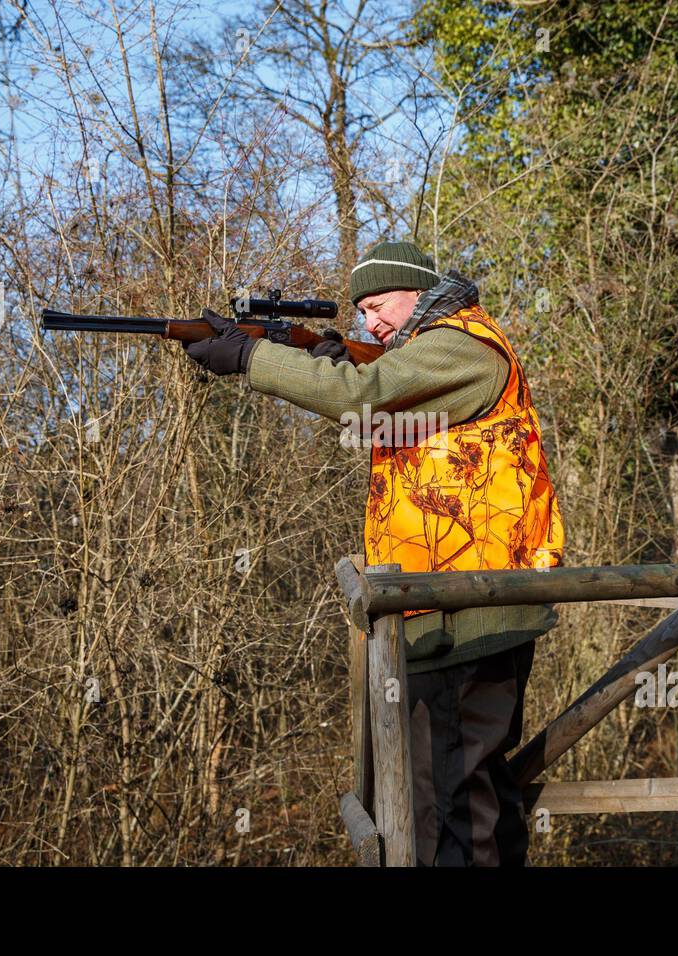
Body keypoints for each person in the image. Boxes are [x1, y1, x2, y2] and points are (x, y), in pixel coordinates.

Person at [181, 240, 565, 866]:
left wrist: (255, 357)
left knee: (450, 801)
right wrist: (331, 359)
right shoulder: (437, 350)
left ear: (419, 293)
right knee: (470, 789)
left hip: (466, 608)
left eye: (379, 306)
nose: (371, 323)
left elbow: (359, 397)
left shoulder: (461, 344)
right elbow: (373, 420)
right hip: (450, 604)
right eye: (361, 313)